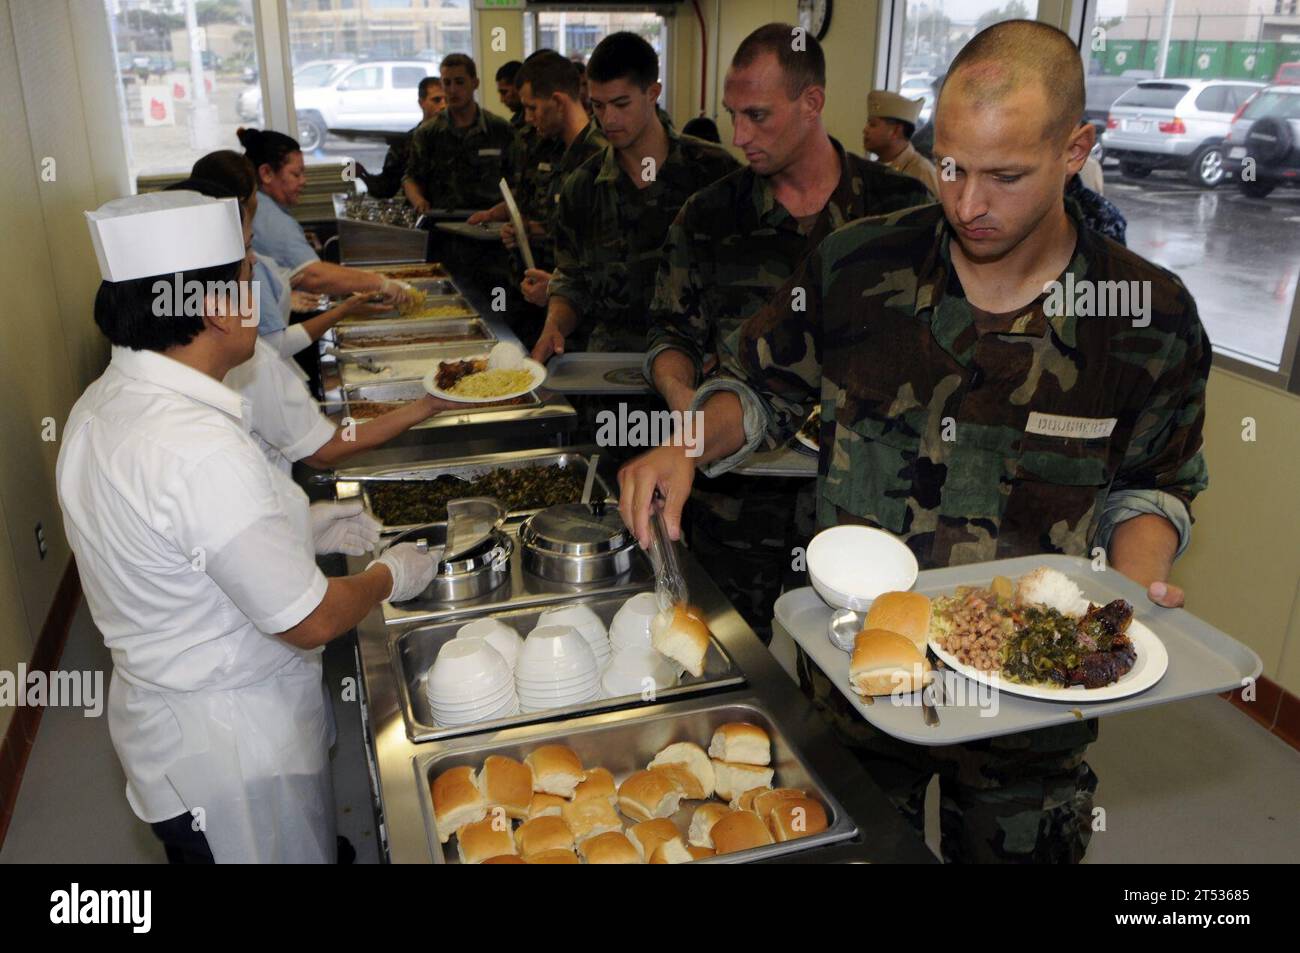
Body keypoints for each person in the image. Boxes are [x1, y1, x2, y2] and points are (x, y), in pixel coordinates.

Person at [618, 20, 1211, 863]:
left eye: (1006, 176)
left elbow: (1155, 483)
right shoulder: (858, 265)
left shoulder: (1147, 318)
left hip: (1029, 709)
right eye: (952, 166)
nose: (969, 203)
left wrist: (1134, 582)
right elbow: (760, 388)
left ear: (1075, 149)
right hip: (856, 672)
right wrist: (685, 441)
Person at [60, 190, 438, 863]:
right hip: (234, 754)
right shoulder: (197, 445)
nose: (256, 294)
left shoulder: (100, 405)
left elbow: (172, 549)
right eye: (241, 278)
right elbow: (311, 619)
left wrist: (302, 527)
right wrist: (388, 576)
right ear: (208, 307)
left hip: (165, 732)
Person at [645, 24, 931, 643]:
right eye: (732, 116)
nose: (739, 136)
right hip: (735, 499)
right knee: (727, 660)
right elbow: (671, 336)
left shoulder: (899, 213)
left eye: (757, 115)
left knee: (860, 677)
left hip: (868, 510)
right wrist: (689, 414)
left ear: (812, 103)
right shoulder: (709, 217)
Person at [174, 174, 460, 472]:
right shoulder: (246, 358)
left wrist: (344, 309)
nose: (255, 260)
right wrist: (426, 406)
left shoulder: (181, 352)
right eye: (247, 248)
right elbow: (327, 449)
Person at [530, 32, 738, 360]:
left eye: (621, 104)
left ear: (653, 93)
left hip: (700, 371)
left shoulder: (713, 173)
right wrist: (554, 325)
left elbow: (747, 277)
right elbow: (571, 280)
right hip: (609, 375)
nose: (608, 119)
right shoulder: (583, 188)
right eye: (598, 106)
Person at [192, 150, 387, 358]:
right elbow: (274, 345)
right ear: (242, 202)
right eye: (296, 174)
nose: (253, 258)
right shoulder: (245, 265)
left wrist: (281, 288)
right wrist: (343, 310)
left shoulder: (209, 252)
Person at [239, 127, 410, 303]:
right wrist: (379, 283)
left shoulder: (263, 207)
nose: (303, 181)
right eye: (296, 174)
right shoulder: (271, 217)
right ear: (266, 173)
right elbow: (314, 276)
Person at [404, 53, 516, 214]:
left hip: (488, 225)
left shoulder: (499, 129)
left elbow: (516, 181)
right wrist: (418, 201)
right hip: (442, 224)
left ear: (474, 83)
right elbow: (411, 178)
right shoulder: (428, 132)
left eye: (459, 82)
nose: (453, 90)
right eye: (447, 83)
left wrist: (504, 211)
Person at [357, 76, 445, 199]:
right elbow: (386, 188)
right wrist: (363, 175)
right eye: (436, 100)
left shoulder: (460, 137)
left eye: (447, 100)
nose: (443, 105)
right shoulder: (406, 143)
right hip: (422, 213)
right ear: (421, 103)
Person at [862, 89, 940, 197]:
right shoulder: (870, 170)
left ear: (895, 131)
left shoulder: (922, 173)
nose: (865, 130)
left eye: (872, 124)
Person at [496, 60, 525, 129]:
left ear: (519, 86)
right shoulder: (516, 121)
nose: (502, 100)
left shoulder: (538, 122)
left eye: (504, 92)